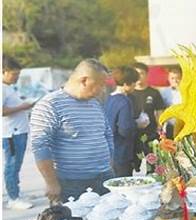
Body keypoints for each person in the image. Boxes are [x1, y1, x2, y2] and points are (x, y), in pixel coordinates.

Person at [30, 59, 113, 203]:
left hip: (104, 177)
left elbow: (107, 134)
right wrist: (51, 183)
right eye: (100, 84)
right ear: (84, 80)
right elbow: (41, 146)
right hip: (71, 183)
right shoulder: (49, 105)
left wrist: (109, 166)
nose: (103, 90)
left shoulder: (94, 103)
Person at [2, 56, 34, 209]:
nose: (17, 77)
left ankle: (17, 192)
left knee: (17, 165)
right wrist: (23, 107)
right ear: (3, 72)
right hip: (11, 133)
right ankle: (13, 198)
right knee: (11, 165)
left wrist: (22, 102)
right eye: (14, 74)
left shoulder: (9, 87)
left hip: (20, 131)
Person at [104, 66, 139, 177]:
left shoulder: (108, 99)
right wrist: (138, 124)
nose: (135, 86)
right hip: (122, 151)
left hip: (108, 151)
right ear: (126, 84)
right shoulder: (124, 101)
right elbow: (125, 130)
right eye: (134, 83)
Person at [131, 63, 165, 172]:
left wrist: (160, 127)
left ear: (146, 75)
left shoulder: (154, 93)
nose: (139, 76)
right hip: (134, 134)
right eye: (136, 74)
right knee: (135, 165)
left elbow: (160, 112)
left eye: (141, 73)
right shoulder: (130, 93)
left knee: (153, 163)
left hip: (150, 134)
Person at [161, 68, 182, 139]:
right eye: (172, 78)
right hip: (170, 125)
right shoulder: (164, 92)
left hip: (184, 125)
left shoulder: (187, 92)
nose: (175, 81)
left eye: (177, 78)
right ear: (168, 79)